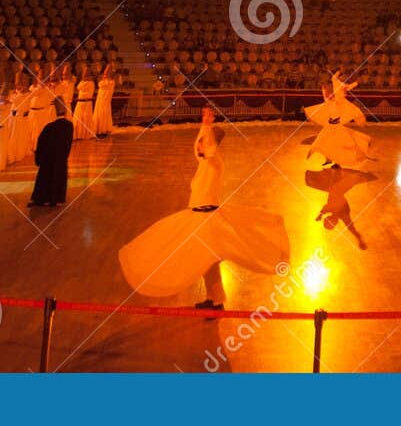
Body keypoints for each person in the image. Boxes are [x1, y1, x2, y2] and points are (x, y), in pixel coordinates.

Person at [118, 108, 289, 309]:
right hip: (199, 218)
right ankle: (216, 299)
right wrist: (204, 126)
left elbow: (209, 150)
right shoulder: (204, 163)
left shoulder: (215, 162)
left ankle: (216, 300)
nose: (198, 146)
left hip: (207, 221)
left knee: (208, 262)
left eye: (204, 142)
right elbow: (199, 148)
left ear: (213, 145)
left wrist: (207, 128)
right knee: (208, 263)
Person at [306, 78, 372, 169]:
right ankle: (329, 159)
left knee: (338, 144)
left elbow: (339, 86)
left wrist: (354, 82)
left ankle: (336, 162)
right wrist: (324, 88)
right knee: (324, 141)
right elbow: (327, 96)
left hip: (336, 127)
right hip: (330, 126)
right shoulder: (330, 100)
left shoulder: (340, 101)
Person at [29, 97, 74, 208]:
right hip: (61, 159)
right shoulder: (69, 126)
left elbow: (41, 144)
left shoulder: (49, 127)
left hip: (47, 160)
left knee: (45, 178)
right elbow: (67, 145)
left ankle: (42, 199)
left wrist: (38, 159)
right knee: (58, 177)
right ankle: (56, 199)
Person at [73, 73, 97, 141]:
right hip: (80, 103)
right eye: (83, 76)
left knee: (86, 118)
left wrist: (84, 81)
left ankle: (85, 134)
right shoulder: (82, 82)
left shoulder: (91, 83)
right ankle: (78, 134)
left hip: (87, 103)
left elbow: (82, 87)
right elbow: (78, 87)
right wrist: (82, 81)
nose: (84, 77)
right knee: (78, 118)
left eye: (86, 76)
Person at [94, 68, 116, 137]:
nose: (104, 75)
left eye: (106, 74)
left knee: (104, 115)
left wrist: (106, 100)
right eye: (104, 74)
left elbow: (109, 92)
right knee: (98, 114)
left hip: (105, 101)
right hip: (100, 100)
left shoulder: (111, 82)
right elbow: (101, 87)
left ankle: (103, 130)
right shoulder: (102, 82)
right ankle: (97, 129)